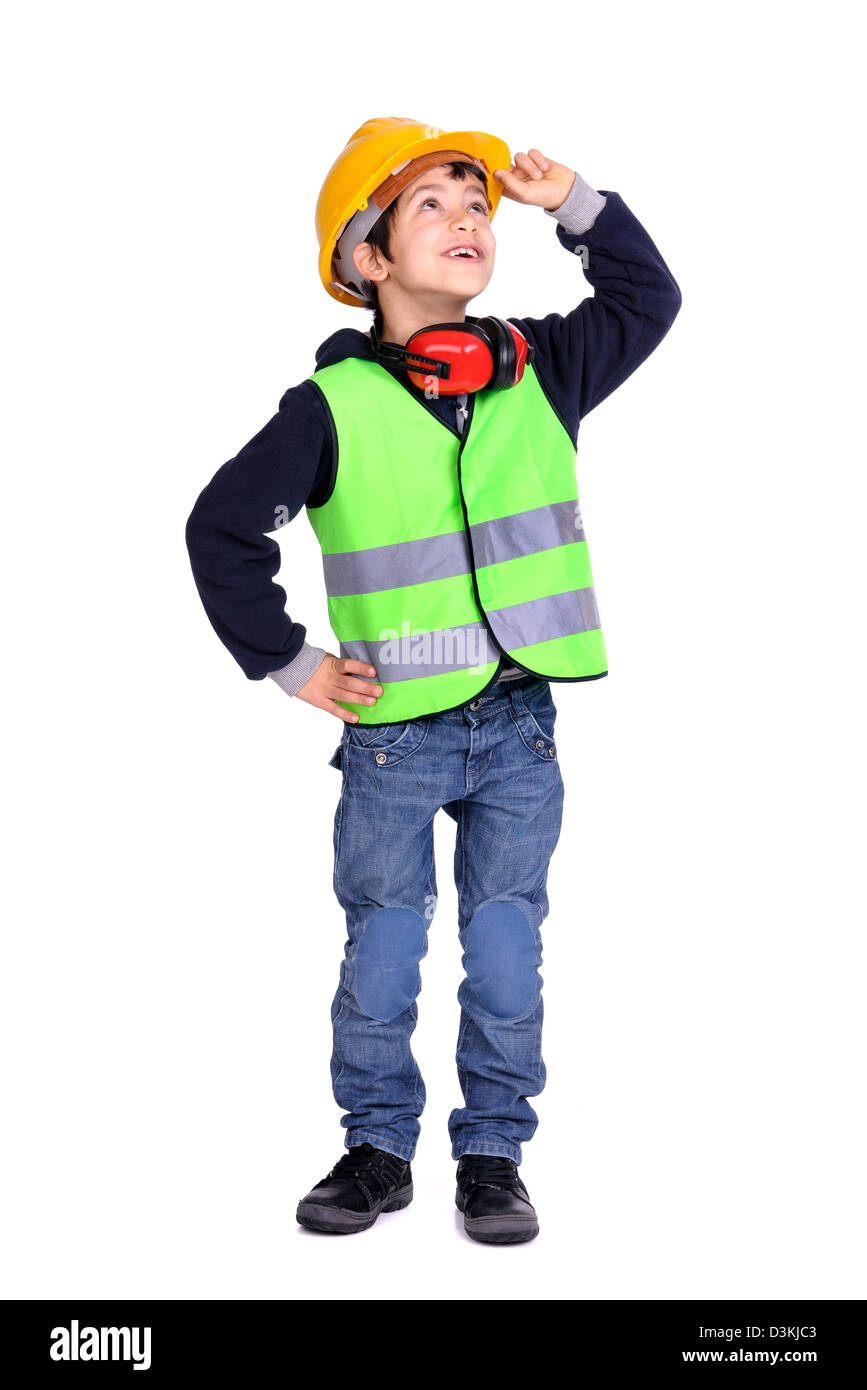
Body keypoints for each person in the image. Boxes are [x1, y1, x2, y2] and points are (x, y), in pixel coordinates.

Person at [185, 117, 682, 1244]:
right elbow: (220, 528)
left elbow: (649, 301)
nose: (467, 217)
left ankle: (494, 1154)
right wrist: (287, 659)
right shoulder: (331, 412)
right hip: (394, 737)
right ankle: (374, 1147)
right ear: (369, 258)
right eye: (432, 204)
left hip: (519, 728)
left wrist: (578, 206)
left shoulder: (545, 370)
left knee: (507, 945)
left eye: (477, 204)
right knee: (386, 946)